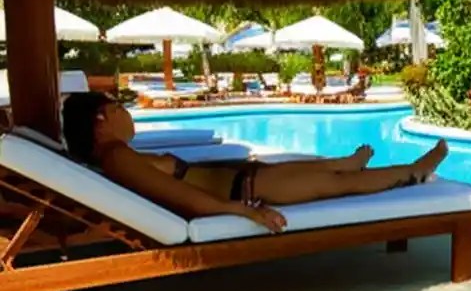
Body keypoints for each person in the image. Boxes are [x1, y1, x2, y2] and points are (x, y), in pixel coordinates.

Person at [60, 92, 448, 234]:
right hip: (247, 191)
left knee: (333, 171)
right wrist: (243, 211)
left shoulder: (117, 156)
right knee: (340, 183)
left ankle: (352, 161)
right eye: (117, 106)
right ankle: (415, 171)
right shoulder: (115, 156)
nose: (125, 112)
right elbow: (177, 194)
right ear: (100, 120)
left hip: (244, 179)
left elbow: (171, 181)